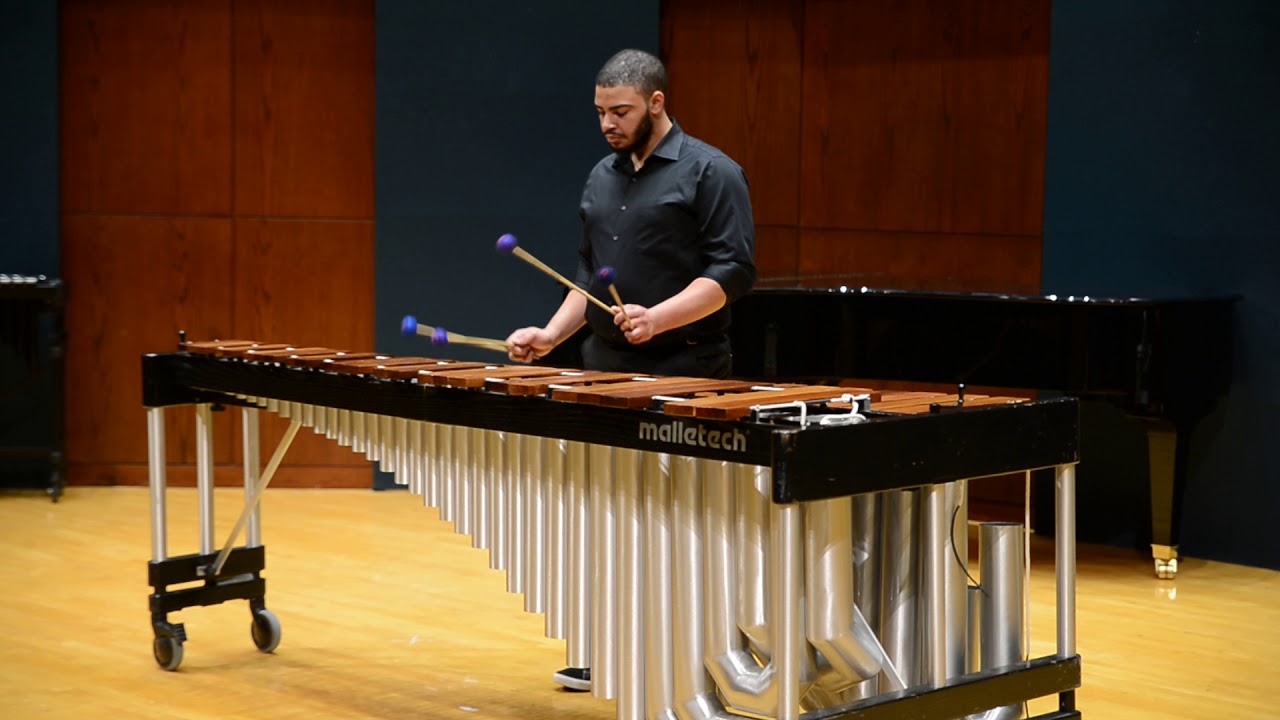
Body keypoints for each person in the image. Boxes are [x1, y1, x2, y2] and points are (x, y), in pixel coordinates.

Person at [505, 48, 756, 692]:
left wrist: (660, 319)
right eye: (599, 113)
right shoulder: (601, 176)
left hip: (685, 371)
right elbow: (585, 280)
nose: (608, 124)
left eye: (620, 111)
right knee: (608, 521)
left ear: (657, 103)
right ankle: (610, 647)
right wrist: (551, 335)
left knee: (685, 526)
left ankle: (707, 656)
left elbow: (733, 272)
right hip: (602, 373)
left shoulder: (712, 172)